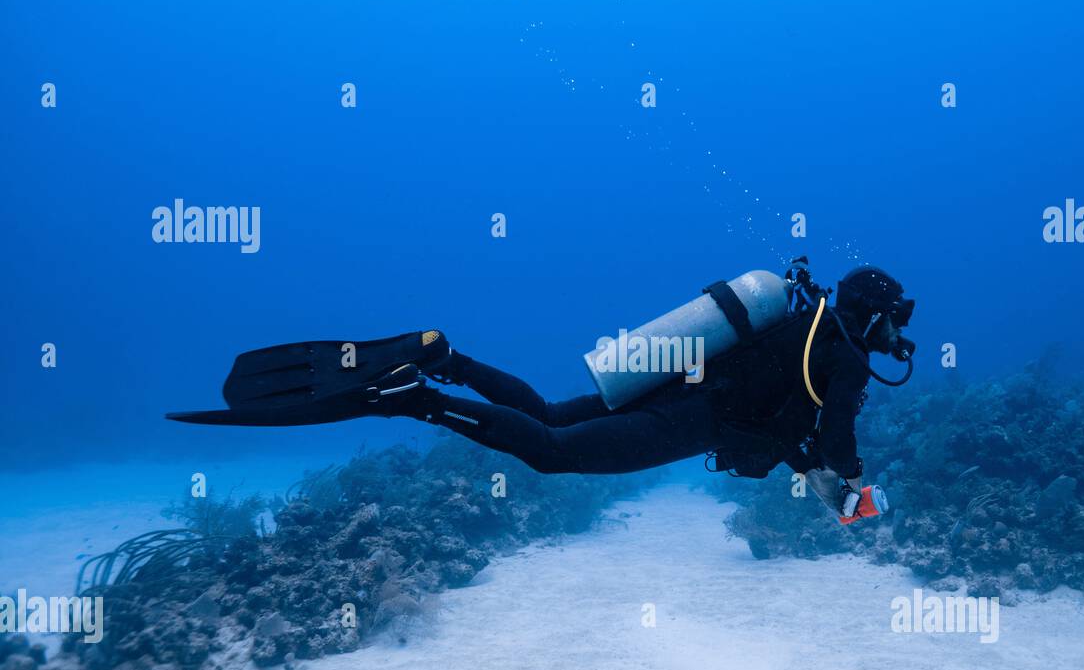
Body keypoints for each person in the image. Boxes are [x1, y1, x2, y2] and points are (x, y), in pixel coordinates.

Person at [168, 264, 915, 522]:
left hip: (676, 382)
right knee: (555, 453)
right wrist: (852, 483)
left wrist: (812, 471)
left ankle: (449, 360)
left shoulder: (800, 321)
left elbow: (787, 419)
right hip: (696, 417)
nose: (896, 335)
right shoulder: (842, 356)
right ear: (872, 313)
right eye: (895, 319)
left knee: (553, 415)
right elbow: (834, 430)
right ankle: (413, 395)